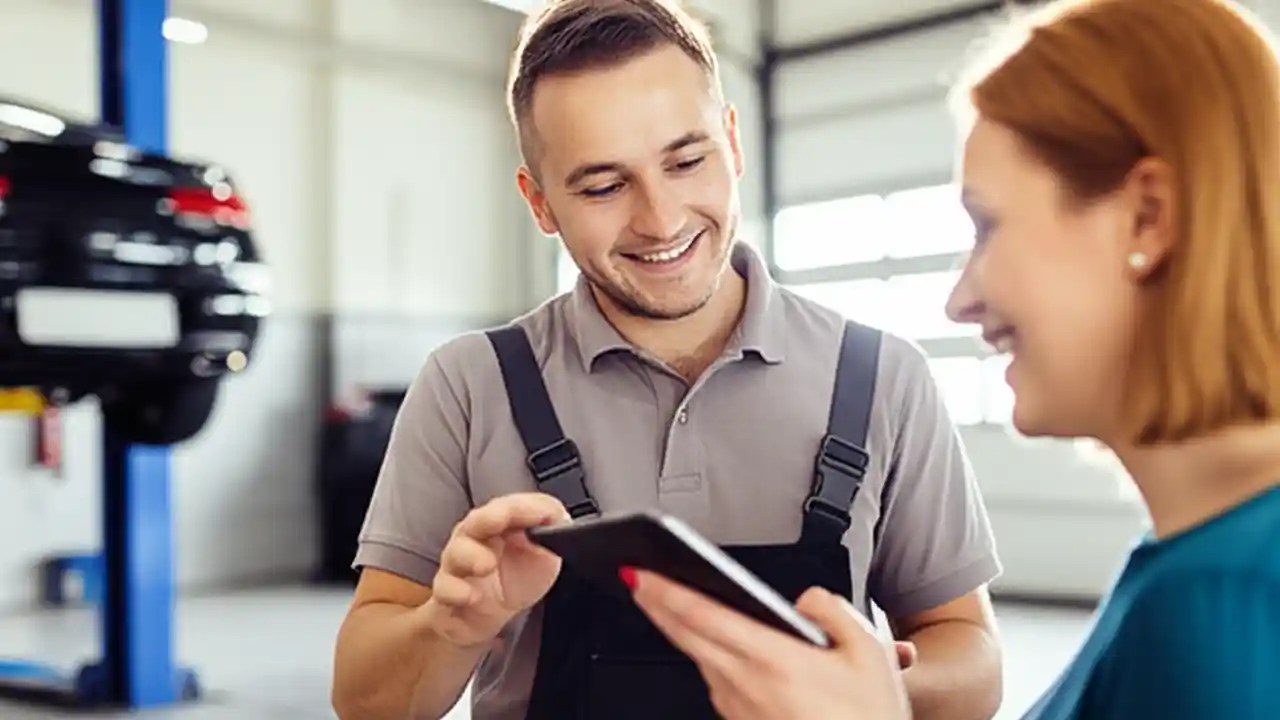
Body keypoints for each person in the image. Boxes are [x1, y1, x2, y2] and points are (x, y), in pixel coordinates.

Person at [330, 1, 1006, 719]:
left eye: (686, 161)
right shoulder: (468, 386)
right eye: (603, 186)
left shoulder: (881, 379)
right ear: (540, 203)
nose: (662, 220)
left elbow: (971, 656)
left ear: (732, 143)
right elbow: (364, 701)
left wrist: (869, 695)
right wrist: (452, 626)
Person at [627, 0, 1280, 717]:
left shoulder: (1221, 608)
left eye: (987, 225)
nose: (960, 301)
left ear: (1146, 219)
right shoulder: (1185, 564)